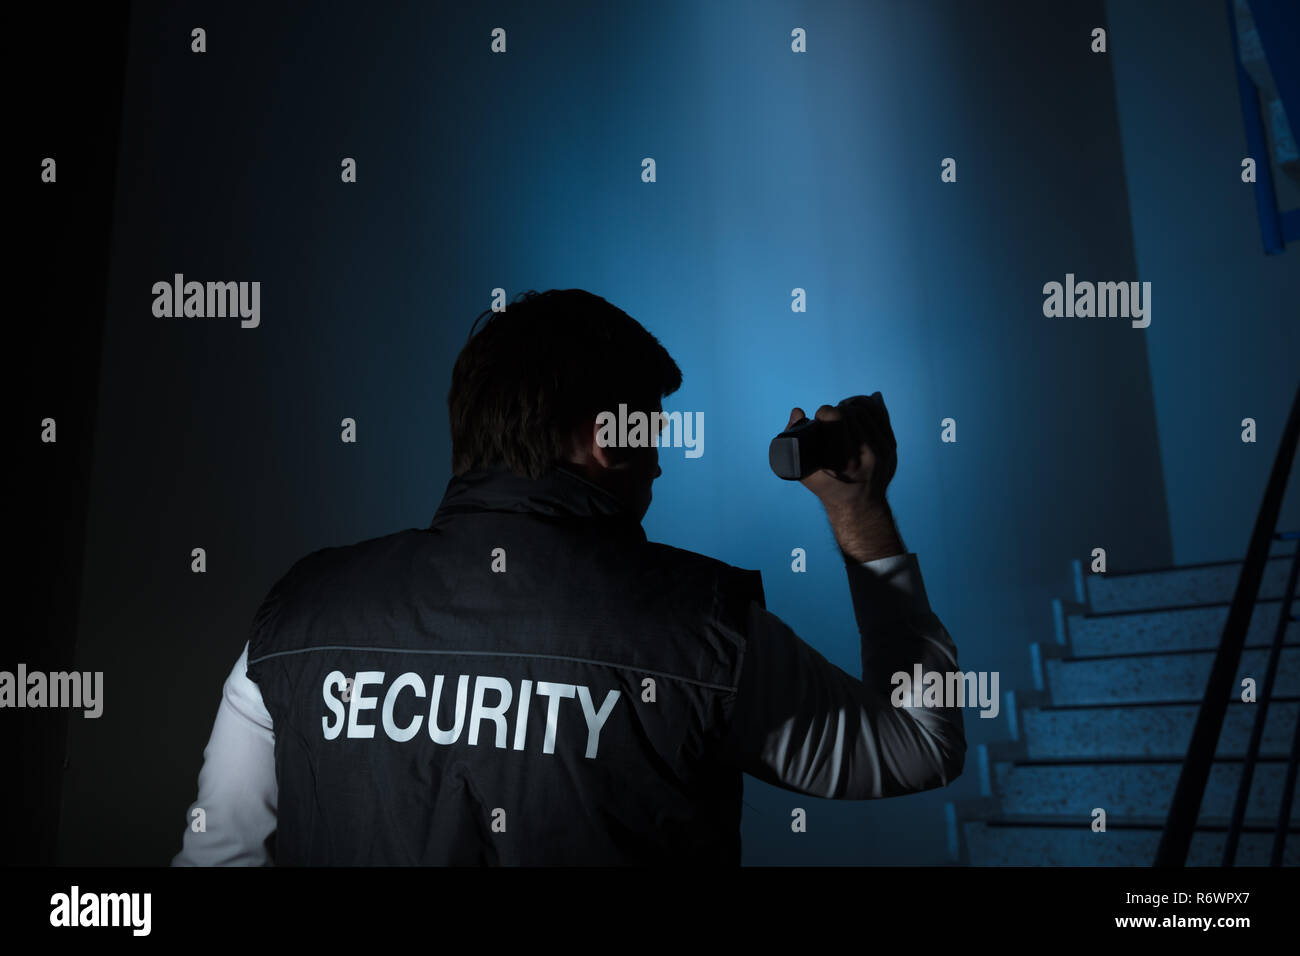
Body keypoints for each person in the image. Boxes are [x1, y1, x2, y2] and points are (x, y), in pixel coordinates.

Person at [171, 288, 965, 865]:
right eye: (652, 439)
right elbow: (921, 744)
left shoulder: (299, 615)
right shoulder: (703, 631)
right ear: (603, 439)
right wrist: (861, 509)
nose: (658, 468)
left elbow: (219, 858)